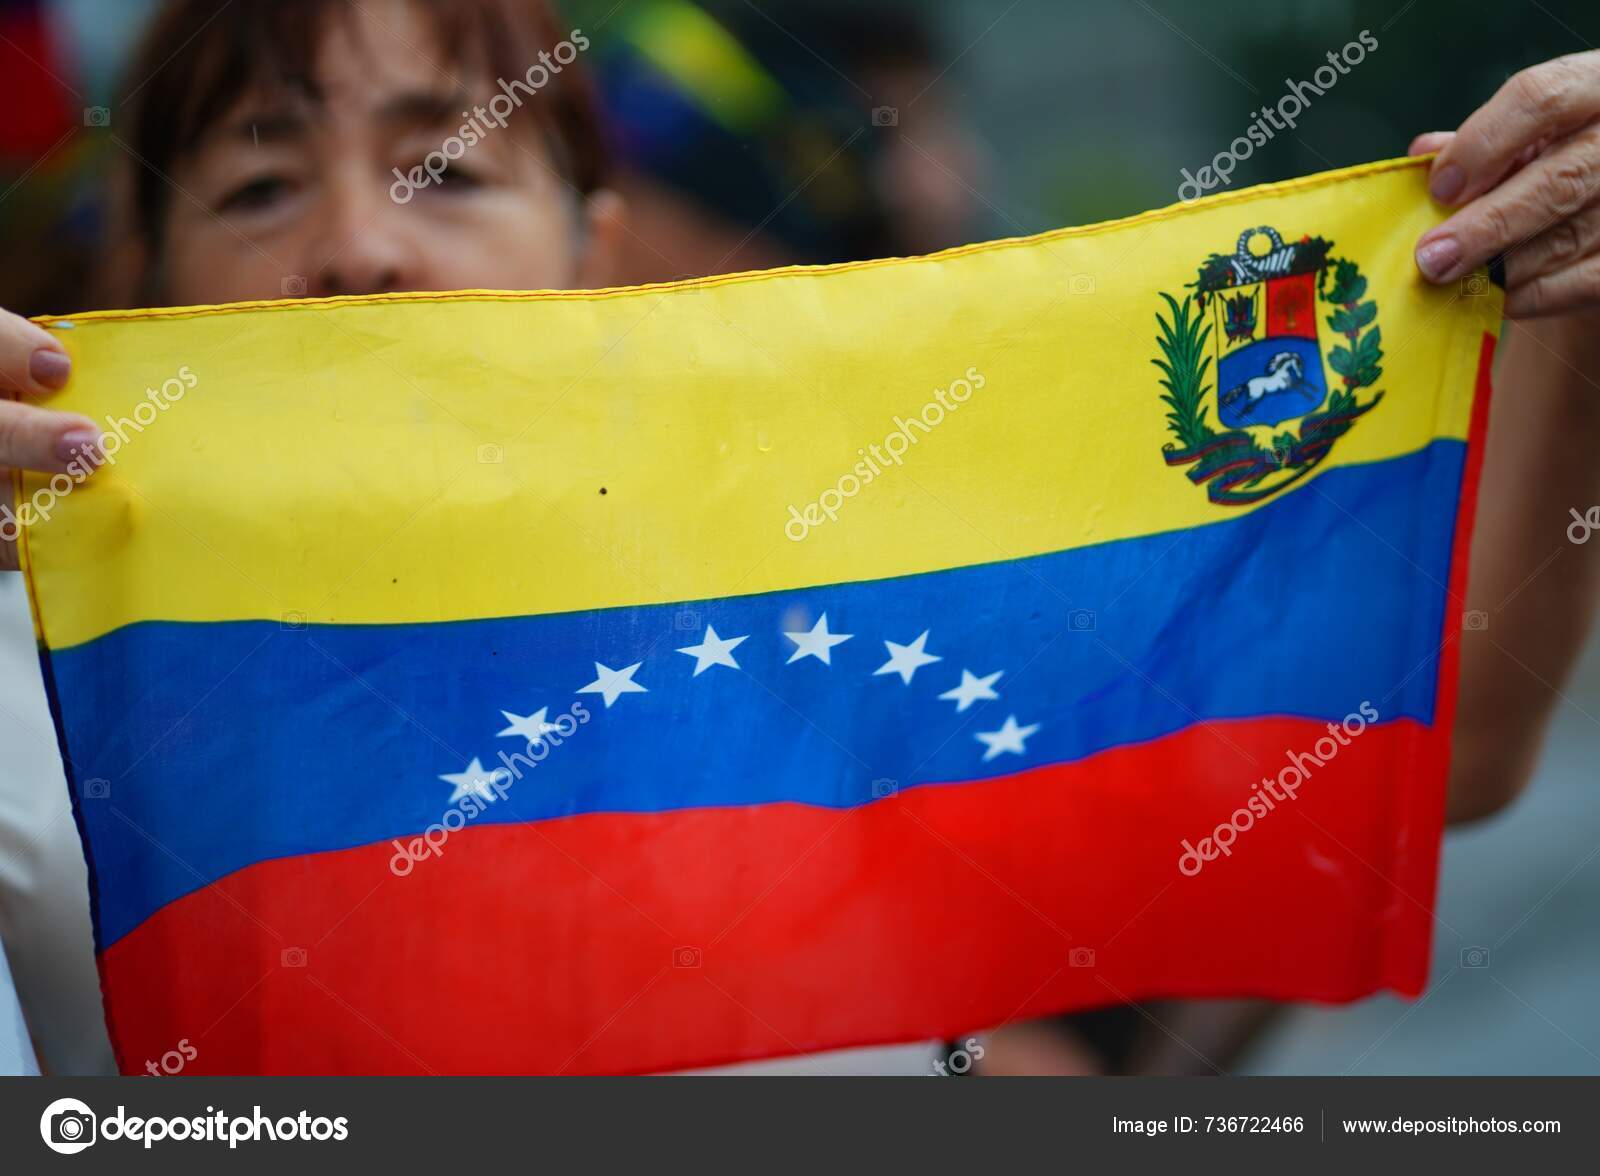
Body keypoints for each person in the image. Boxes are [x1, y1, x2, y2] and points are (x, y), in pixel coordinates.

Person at [0, 0, 1597, 1072]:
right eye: (263, 181)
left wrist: (1584, 323)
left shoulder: (841, 562)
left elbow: (1426, 744)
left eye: (447, 168)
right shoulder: (33, 662)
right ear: (138, 277)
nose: (356, 246)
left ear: (596, 248)